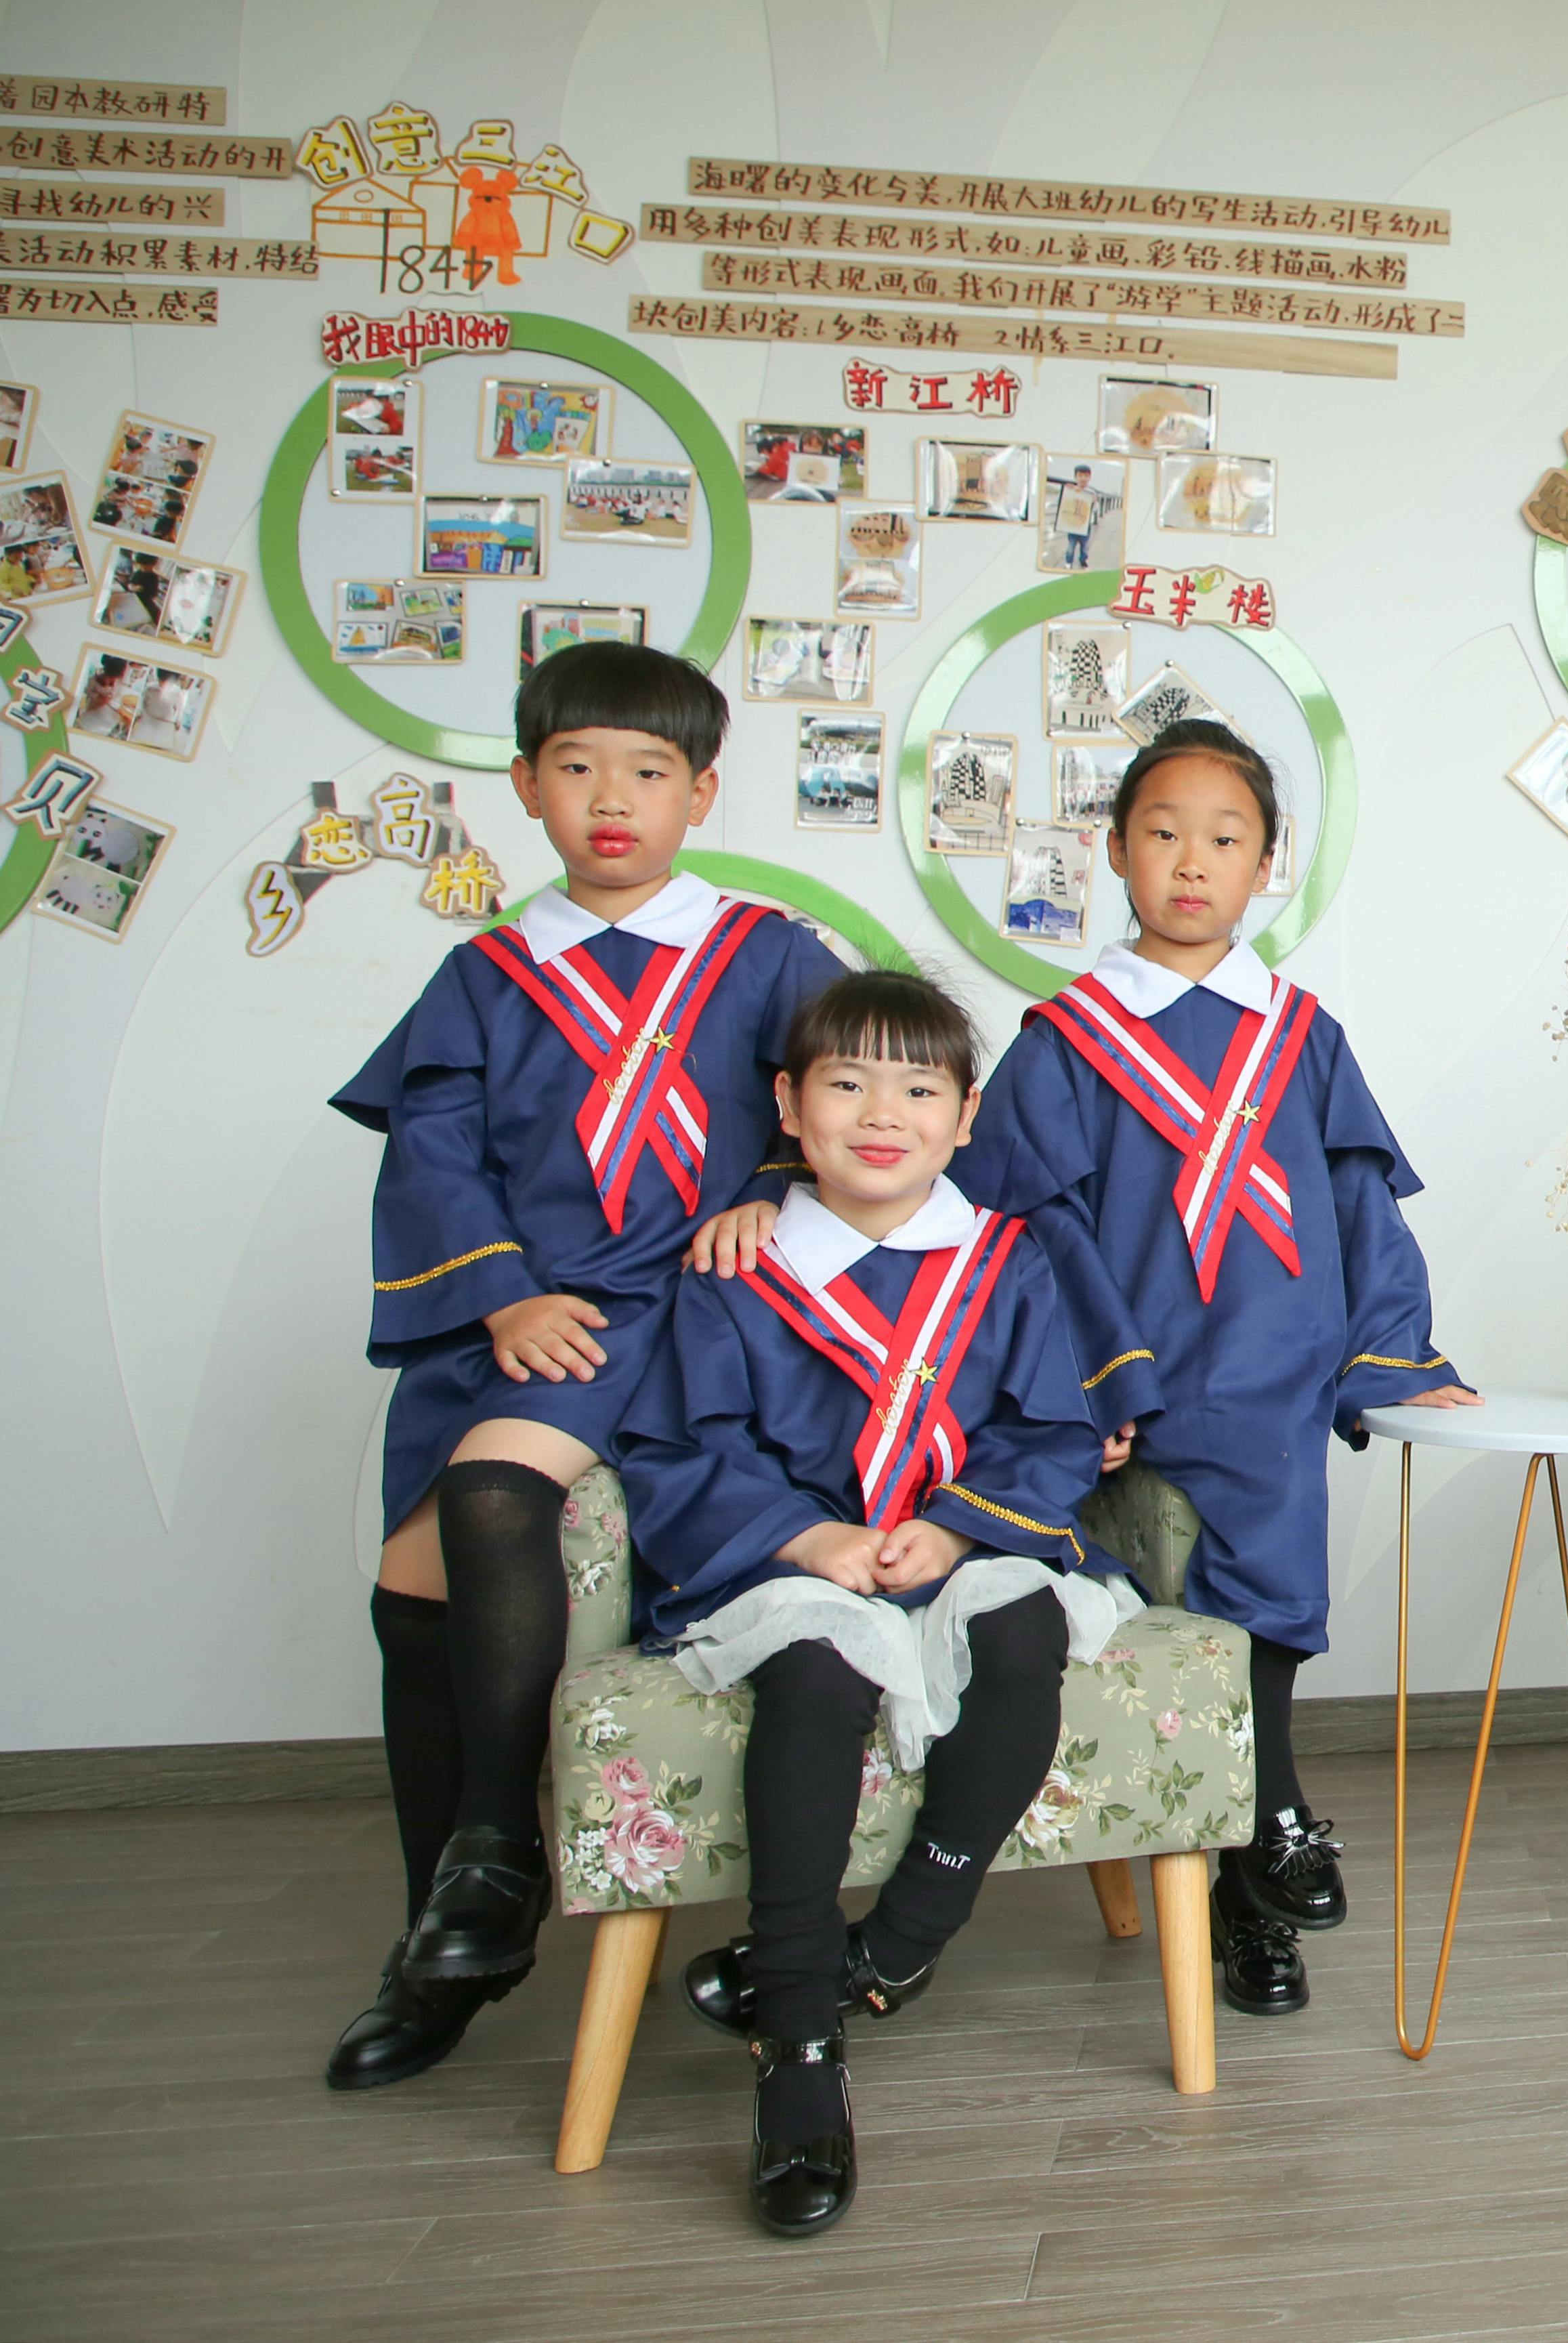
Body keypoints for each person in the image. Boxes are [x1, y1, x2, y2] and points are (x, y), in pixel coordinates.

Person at [322, 643, 841, 2092]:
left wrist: (772, 1188)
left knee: (493, 1495)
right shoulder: (486, 973)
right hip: (526, 1313)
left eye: (649, 770)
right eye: (577, 766)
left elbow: (851, 1095)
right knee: (410, 1588)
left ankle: (494, 1865)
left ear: (702, 792)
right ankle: (444, 1929)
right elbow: (435, 1151)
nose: (613, 798)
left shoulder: (766, 951)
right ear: (526, 784)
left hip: (689, 1306)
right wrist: (497, 1294)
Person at [962, 720, 1478, 2019]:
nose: (1193, 861)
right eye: (1163, 832)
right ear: (1114, 851)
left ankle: (1249, 1875)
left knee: (1264, 1532)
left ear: (1267, 864)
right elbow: (1030, 1230)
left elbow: (1360, 1203)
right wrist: (1091, 1384)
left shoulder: (1301, 1035)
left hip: (1276, 1363)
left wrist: (1394, 1355)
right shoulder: (1066, 1040)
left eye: (1225, 838)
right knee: (1205, 1572)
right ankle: (1267, 1837)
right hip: (1136, 1369)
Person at [617, 969, 1128, 2235]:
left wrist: (953, 1527)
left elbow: (1048, 1433)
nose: (882, 1112)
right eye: (846, 1083)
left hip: (955, 1543)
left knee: (1020, 1625)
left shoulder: (1005, 1260)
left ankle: (901, 1939)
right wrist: (808, 1538)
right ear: (790, 1106)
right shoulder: (736, 1269)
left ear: (965, 1118)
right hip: (797, 1563)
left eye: (919, 1088)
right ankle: (798, 2036)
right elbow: (685, 1442)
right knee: (816, 1672)